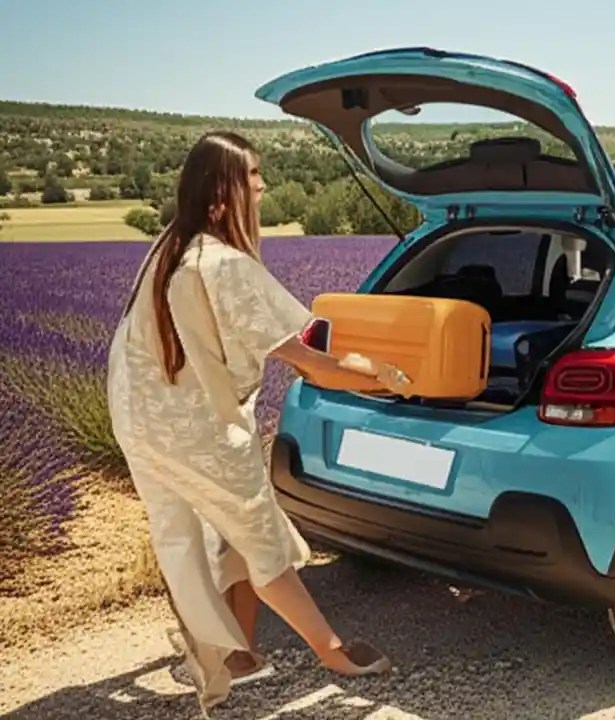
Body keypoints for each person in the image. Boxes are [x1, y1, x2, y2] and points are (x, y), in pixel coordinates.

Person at [106, 131, 411, 715]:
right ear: (223, 189)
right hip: (195, 427)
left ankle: (239, 654)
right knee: (257, 532)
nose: (263, 186)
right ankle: (334, 652)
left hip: (145, 419)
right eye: (253, 176)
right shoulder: (223, 265)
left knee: (202, 534)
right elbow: (310, 362)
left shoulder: (173, 243)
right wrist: (382, 376)